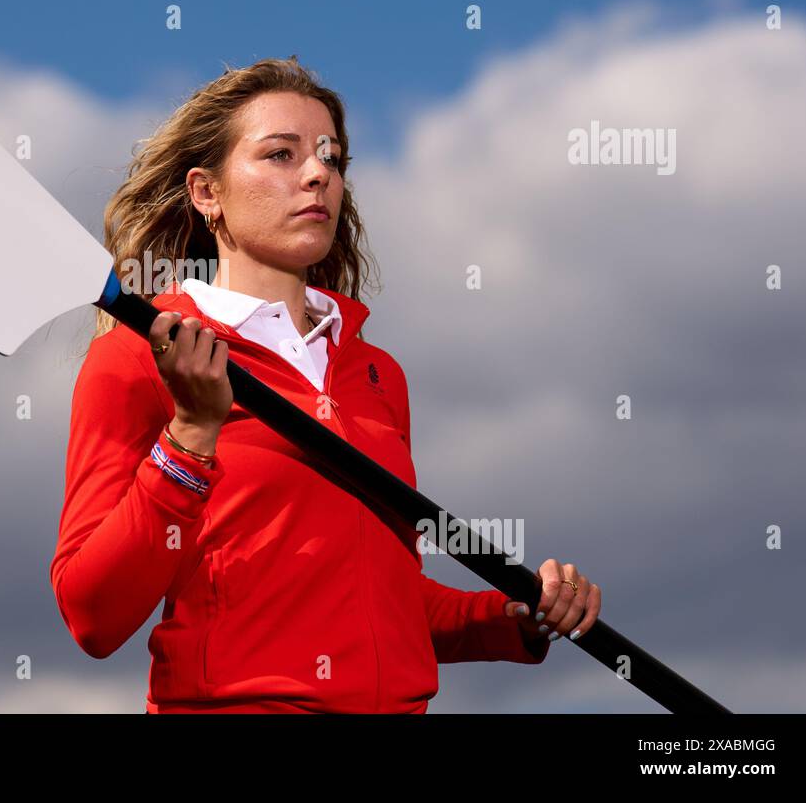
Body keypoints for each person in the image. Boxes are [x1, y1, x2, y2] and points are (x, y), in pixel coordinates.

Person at [50, 57, 601, 713]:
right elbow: (92, 613)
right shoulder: (140, 358)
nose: (317, 174)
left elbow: (380, 593)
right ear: (207, 193)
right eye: (280, 154)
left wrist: (515, 614)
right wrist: (190, 437)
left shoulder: (377, 375)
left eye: (331, 158)